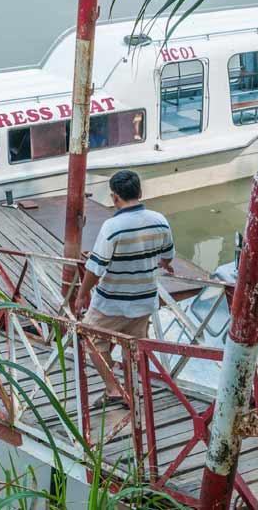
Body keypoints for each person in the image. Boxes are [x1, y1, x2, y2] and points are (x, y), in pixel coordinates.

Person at [73, 169, 175, 410]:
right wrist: (160, 264)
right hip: (145, 300)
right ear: (139, 192)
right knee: (134, 347)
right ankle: (133, 393)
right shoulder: (160, 220)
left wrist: (80, 295)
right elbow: (168, 257)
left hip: (112, 303)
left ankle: (114, 389)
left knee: (91, 340)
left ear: (114, 197)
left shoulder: (112, 227)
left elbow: (95, 268)